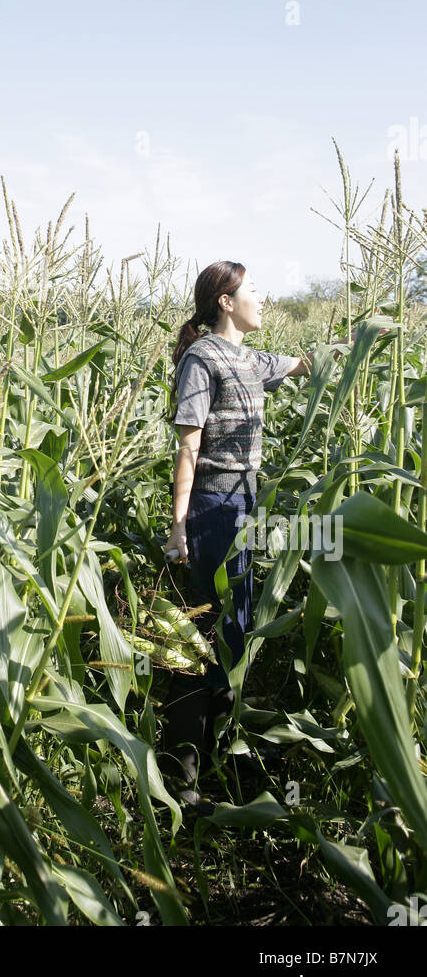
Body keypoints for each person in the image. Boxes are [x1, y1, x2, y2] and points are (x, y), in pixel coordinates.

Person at [158, 260, 313, 809]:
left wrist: (357, 341)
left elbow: (299, 363)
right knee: (204, 634)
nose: (262, 298)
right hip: (212, 503)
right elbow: (189, 444)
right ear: (226, 301)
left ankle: (223, 754)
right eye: (252, 290)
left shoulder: (250, 359)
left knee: (237, 629)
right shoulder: (203, 358)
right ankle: (182, 780)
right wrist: (179, 524)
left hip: (246, 501)